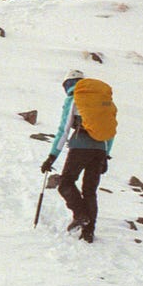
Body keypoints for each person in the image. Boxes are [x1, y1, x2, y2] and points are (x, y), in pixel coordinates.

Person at [40, 70, 113, 243]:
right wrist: (106, 155)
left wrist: (52, 156)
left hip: (80, 146)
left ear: (68, 84)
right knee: (90, 191)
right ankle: (88, 233)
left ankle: (80, 215)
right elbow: (110, 130)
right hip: (100, 149)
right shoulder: (102, 100)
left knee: (65, 183)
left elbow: (63, 130)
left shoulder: (74, 99)